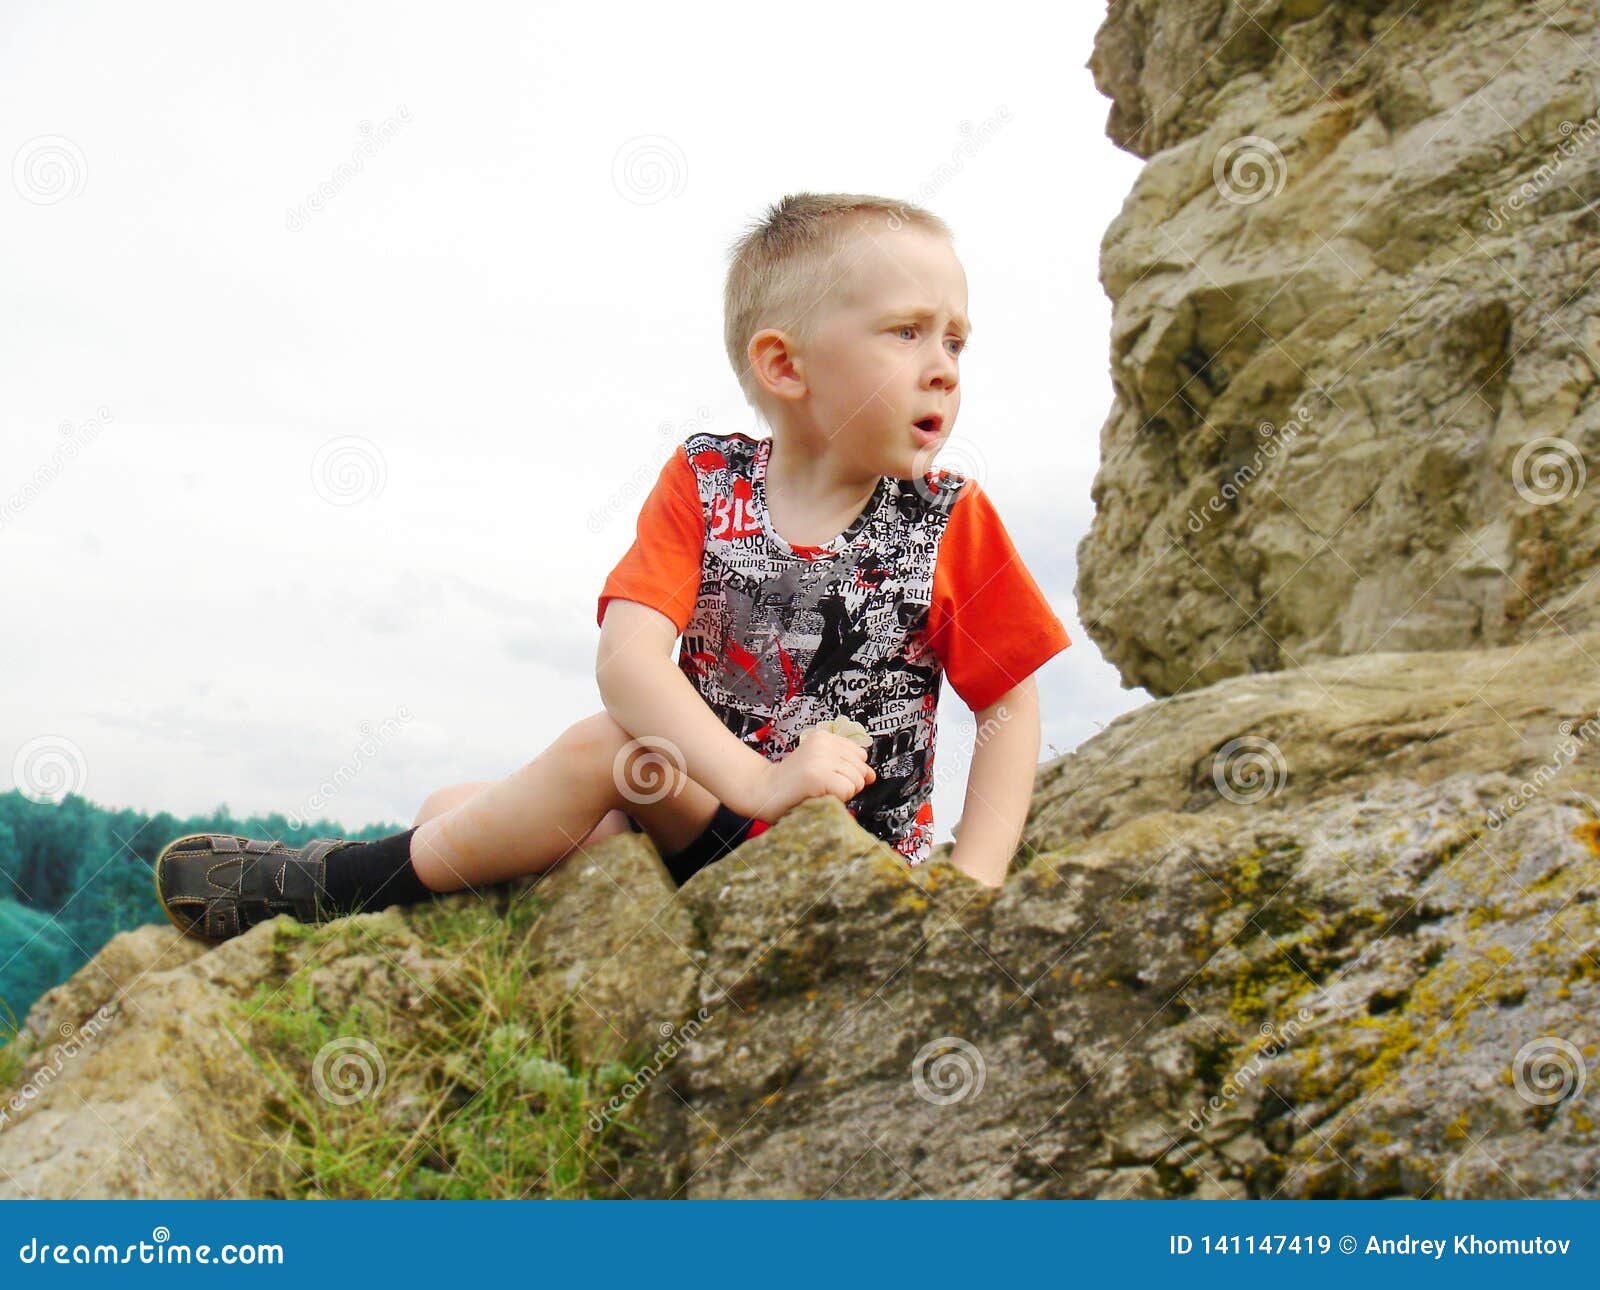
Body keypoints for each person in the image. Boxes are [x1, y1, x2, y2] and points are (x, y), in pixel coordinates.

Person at [153, 191, 1071, 944]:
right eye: (907, 332)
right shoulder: (710, 482)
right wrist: (753, 781)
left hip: (838, 863)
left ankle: (335, 883)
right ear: (784, 364)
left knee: (582, 762)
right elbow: (629, 660)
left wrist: (972, 888)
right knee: (467, 808)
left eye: (956, 339)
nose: (945, 367)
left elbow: (1008, 703)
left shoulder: (949, 519)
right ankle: (453, 873)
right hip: (709, 816)